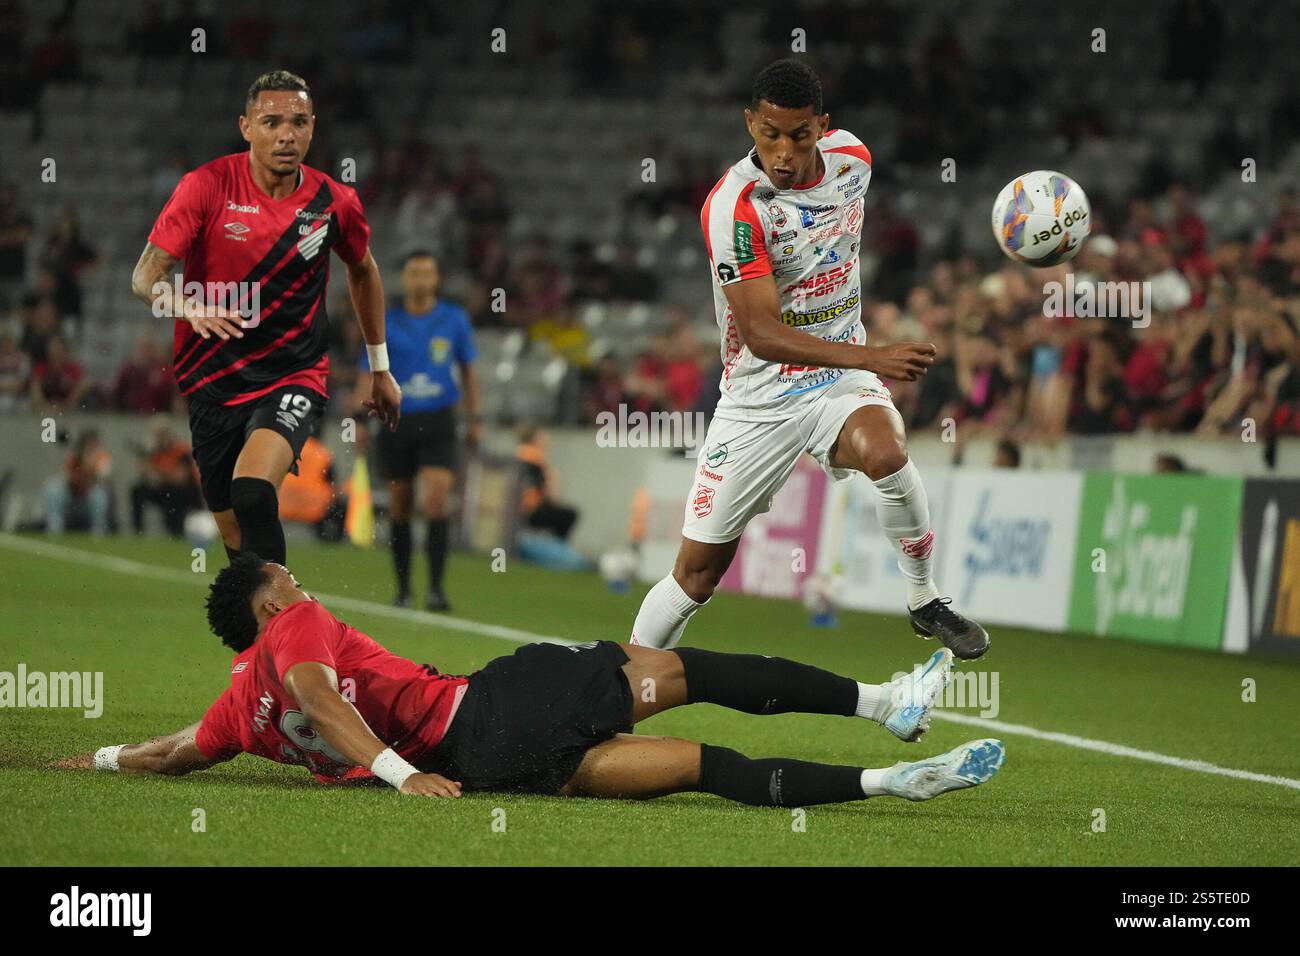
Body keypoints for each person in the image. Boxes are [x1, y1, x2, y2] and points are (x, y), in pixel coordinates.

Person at [57, 554, 1005, 808]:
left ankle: (892, 781)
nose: (302, 589)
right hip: (494, 704)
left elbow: (172, 753)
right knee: (690, 671)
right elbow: (316, 693)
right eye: (290, 582)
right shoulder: (295, 631)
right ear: (269, 608)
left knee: (699, 767)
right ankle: (887, 705)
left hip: (501, 764)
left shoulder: (232, 708)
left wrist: (90, 758)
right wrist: (398, 773)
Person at [630, 59, 989, 659]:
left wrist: (858, 363)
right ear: (750, 124)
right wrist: (873, 356)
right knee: (695, 576)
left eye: (799, 134)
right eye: (769, 133)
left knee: (887, 451)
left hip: (836, 378)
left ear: (823, 126)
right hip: (758, 397)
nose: (784, 151)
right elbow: (764, 335)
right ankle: (620, 686)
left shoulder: (855, 162)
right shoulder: (734, 208)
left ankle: (925, 600)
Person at [130, 69, 401, 569]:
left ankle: (293, 632)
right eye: (272, 121)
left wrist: (380, 366)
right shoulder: (205, 187)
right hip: (212, 382)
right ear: (246, 127)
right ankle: (269, 635)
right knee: (239, 544)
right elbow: (145, 279)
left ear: (313, 127)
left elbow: (363, 270)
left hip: (292, 374)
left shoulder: (333, 203)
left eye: (298, 122)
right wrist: (186, 305)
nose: (286, 134)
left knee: (254, 492)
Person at [354, 250, 481, 611]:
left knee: (436, 500)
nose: (421, 279)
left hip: (440, 417)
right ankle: (404, 589)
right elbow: (368, 371)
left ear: (437, 279)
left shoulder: (454, 319)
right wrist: (360, 418)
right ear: (404, 279)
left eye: (428, 272)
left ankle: (437, 590)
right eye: (414, 273)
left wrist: (475, 418)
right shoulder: (386, 321)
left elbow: (470, 371)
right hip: (397, 419)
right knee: (400, 504)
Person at [129, 420, 200, 537]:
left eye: (161, 435)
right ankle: (138, 531)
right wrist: (145, 464)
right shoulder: (156, 452)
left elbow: (180, 478)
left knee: (172, 494)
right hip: (164, 489)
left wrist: (157, 471)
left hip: (186, 492)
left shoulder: (180, 450)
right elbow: (147, 477)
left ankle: (176, 532)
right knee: (137, 490)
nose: (158, 438)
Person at [45, 430, 112, 535]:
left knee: (100, 495)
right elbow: (66, 476)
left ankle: (98, 530)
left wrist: (89, 463)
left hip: (89, 498)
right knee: (52, 487)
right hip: (72, 497)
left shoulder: (102, 457)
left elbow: (103, 475)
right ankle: (55, 527)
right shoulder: (75, 457)